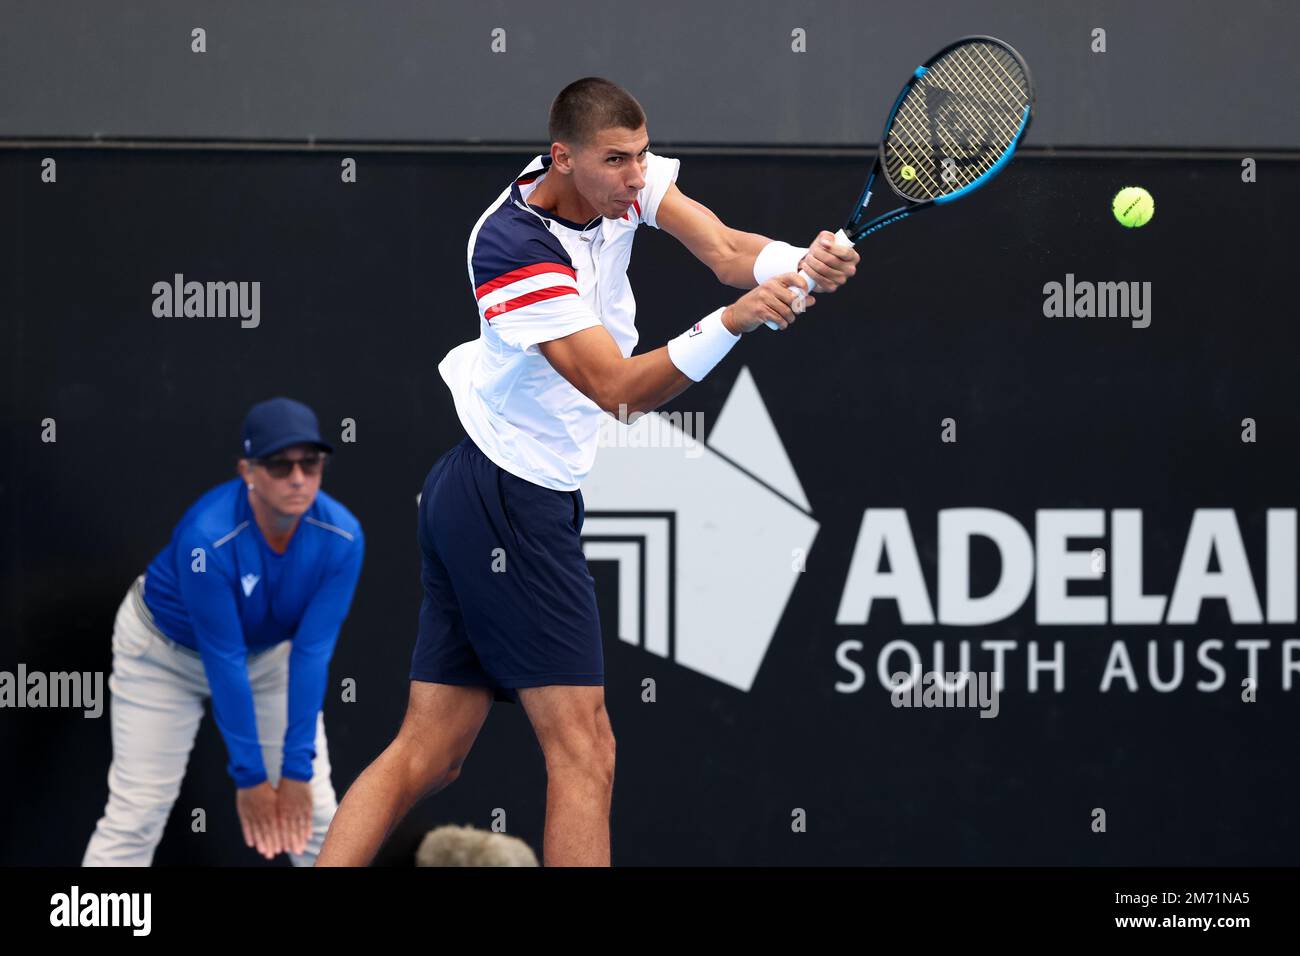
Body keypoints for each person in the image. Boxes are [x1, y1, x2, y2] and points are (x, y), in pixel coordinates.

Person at [316, 76, 858, 867]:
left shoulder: (620, 187)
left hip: (482, 489)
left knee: (430, 755)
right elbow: (619, 392)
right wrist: (737, 321)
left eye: (642, 157)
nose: (637, 177)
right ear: (561, 158)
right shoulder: (512, 248)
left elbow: (726, 250)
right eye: (617, 161)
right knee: (587, 751)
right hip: (512, 497)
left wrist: (799, 262)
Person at [83, 397, 364, 866]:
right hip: (160, 657)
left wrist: (295, 772)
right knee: (138, 814)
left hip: (270, 660)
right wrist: (251, 779)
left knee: (314, 815)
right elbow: (224, 658)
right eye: (278, 464)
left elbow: (311, 654)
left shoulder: (343, 537)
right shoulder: (206, 538)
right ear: (248, 470)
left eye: (310, 463)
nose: (297, 478)